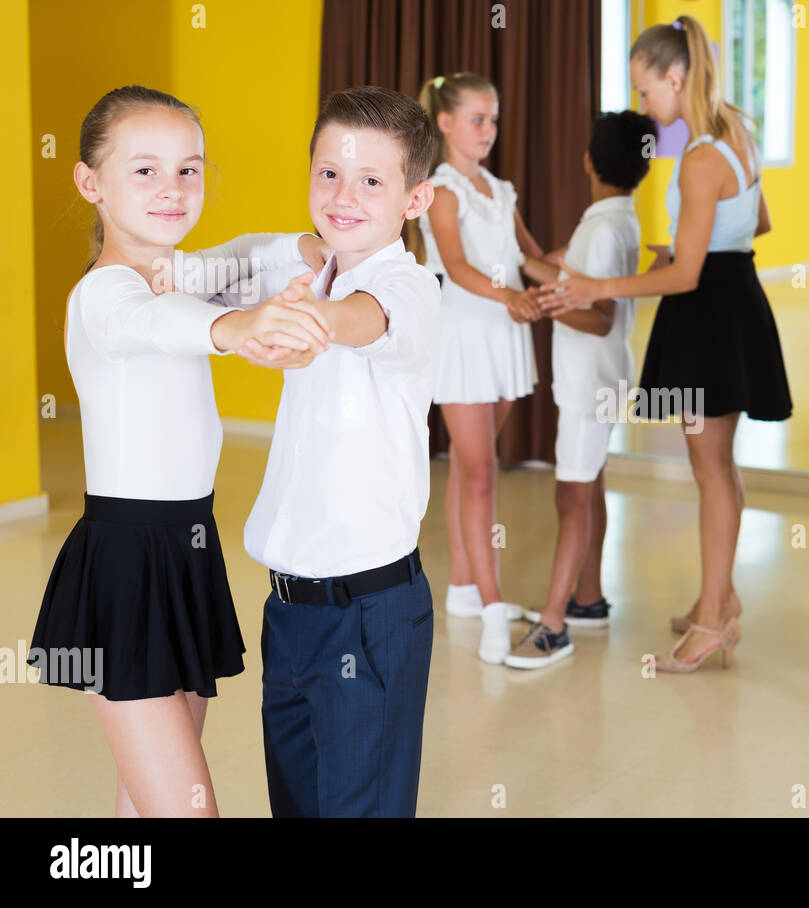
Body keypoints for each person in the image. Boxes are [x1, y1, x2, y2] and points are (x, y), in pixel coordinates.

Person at [28, 85, 331, 817]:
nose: (173, 189)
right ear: (88, 182)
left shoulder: (182, 273)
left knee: (148, 804)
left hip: (186, 555)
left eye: (189, 169)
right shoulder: (103, 296)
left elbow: (260, 251)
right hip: (125, 567)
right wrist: (239, 329)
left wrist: (329, 249)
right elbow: (161, 324)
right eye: (145, 170)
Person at [539, 14, 792, 672]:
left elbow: (683, 275)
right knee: (720, 468)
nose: (643, 106)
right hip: (733, 301)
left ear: (675, 78)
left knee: (709, 472)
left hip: (705, 312)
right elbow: (757, 219)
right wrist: (686, 244)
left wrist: (599, 282)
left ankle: (712, 622)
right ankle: (721, 599)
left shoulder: (702, 157)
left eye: (646, 91)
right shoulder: (738, 129)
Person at [240, 86, 440, 817]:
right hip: (288, 611)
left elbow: (369, 319)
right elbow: (226, 259)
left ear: (414, 201)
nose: (343, 195)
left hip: (369, 612)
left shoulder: (408, 287)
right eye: (329, 172)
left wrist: (307, 318)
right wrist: (302, 267)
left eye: (371, 181)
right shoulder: (314, 269)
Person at [415, 72, 553, 664]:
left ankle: (464, 591)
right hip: (465, 336)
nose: (488, 131)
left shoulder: (501, 188)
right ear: (444, 123)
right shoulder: (441, 190)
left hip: (502, 337)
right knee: (480, 474)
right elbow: (456, 265)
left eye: (493, 119)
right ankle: (494, 606)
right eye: (478, 119)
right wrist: (512, 297)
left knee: (474, 471)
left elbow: (529, 258)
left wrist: (583, 277)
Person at [509, 110, 653, 669]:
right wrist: (516, 240)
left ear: (588, 161)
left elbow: (597, 316)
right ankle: (587, 599)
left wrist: (548, 308)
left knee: (570, 497)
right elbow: (556, 271)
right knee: (588, 487)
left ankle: (553, 625)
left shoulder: (601, 228)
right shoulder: (616, 220)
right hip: (604, 379)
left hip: (589, 383)